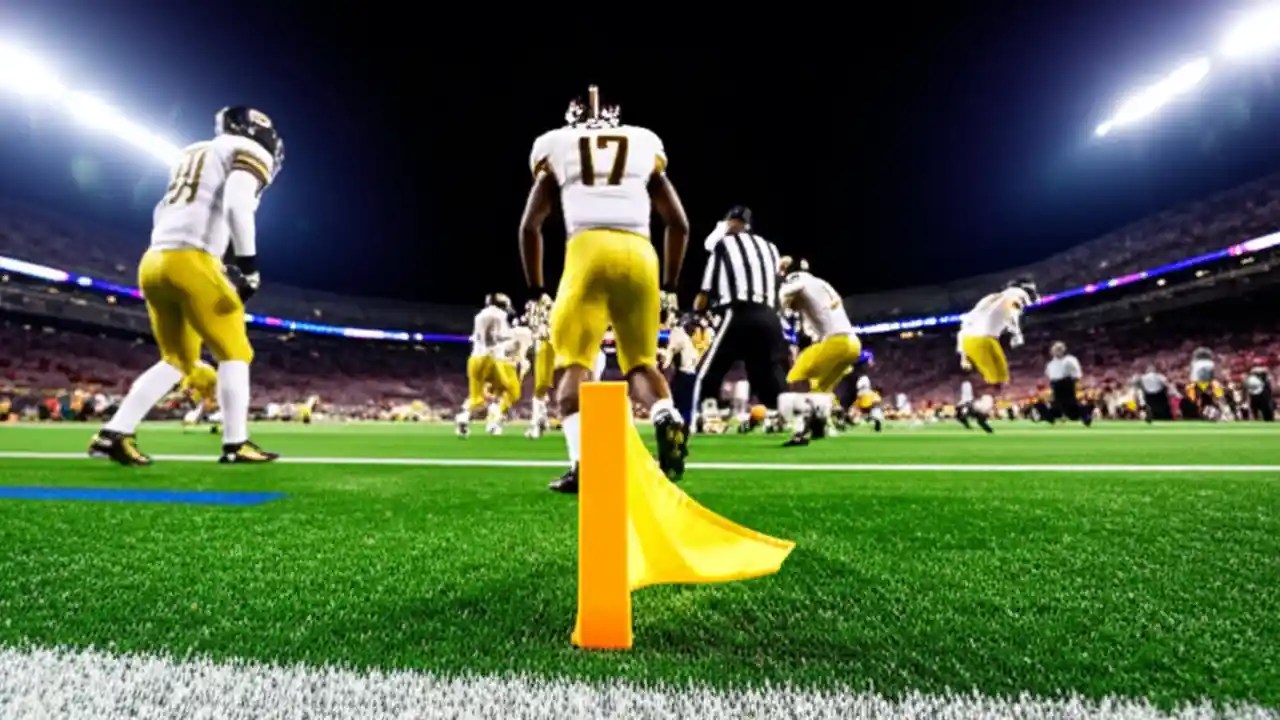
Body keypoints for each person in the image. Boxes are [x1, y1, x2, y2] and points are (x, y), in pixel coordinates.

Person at [518, 86, 691, 493]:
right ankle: (666, 414)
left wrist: (534, 290)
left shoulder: (555, 143)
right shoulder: (642, 141)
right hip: (641, 254)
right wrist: (670, 286)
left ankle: (582, 463)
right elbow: (679, 224)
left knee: (572, 364)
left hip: (588, 252)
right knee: (641, 364)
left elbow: (530, 226)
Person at [88, 106, 283, 465]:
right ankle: (236, 443)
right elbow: (238, 206)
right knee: (235, 352)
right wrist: (248, 267)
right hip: (193, 261)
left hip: (155, 260)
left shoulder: (191, 152)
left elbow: (168, 209)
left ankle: (113, 433)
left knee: (177, 360)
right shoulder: (248, 149)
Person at [691, 207, 789, 420]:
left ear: (731, 222)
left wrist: (697, 312)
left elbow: (705, 291)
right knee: (766, 372)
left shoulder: (724, 244)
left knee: (708, 371)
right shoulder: (771, 248)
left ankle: (703, 416)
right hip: (769, 316)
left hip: (739, 312)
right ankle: (786, 418)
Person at [773, 257, 863, 446]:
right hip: (853, 344)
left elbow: (787, 292)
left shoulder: (798, 279)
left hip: (836, 341)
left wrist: (777, 306)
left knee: (796, 378)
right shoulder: (821, 283)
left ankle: (799, 430)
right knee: (819, 389)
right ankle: (822, 426)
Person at [955, 278, 1038, 432]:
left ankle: (974, 409)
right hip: (982, 340)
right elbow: (1012, 311)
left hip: (979, 339)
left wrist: (963, 354)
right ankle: (971, 411)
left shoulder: (989, 299)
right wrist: (1016, 333)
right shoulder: (1015, 294)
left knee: (1001, 380)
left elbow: (966, 323)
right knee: (995, 383)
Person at [456, 294, 518, 437]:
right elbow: (496, 337)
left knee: (476, 398)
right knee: (508, 389)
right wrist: (512, 336)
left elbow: (476, 337)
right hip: (491, 358)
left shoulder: (479, 316)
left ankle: (463, 418)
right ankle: (493, 423)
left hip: (474, 358)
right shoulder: (499, 315)